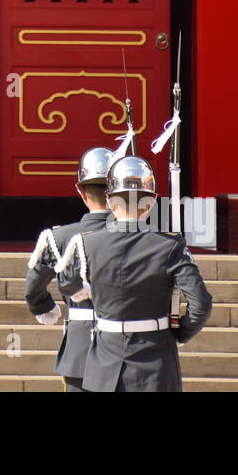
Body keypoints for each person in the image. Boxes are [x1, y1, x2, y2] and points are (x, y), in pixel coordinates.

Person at [56, 156, 212, 392]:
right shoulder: (169, 246)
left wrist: (89, 291)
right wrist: (179, 333)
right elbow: (200, 303)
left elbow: (66, 283)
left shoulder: (87, 244)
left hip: (103, 363)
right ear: (150, 203)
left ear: (110, 201)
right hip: (155, 362)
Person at [23, 146, 114, 391]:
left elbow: (33, 288)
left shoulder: (60, 237)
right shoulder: (142, 238)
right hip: (132, 351)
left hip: (80, 348)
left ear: (81, 191)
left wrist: (45, 308)